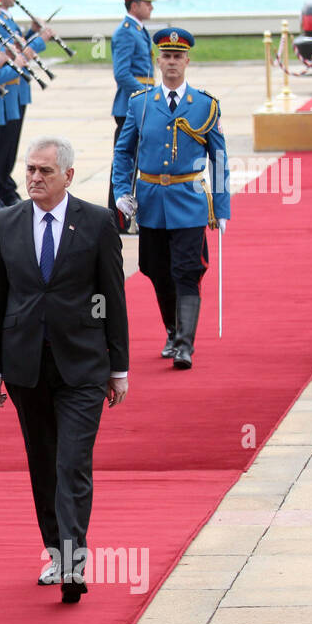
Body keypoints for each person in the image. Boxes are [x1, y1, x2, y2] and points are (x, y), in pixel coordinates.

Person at [0, 136, 128, 603]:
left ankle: (72, 560)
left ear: (68, 175)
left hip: (82, 365)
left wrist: (118, 366)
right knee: (43, 464)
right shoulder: (7, 223)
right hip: (27, 366)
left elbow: (114, 298)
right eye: (30, 170)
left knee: (72, 464)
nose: (35, 178)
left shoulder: (98, 223)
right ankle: (54, 551)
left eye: (45, 171)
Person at [112, 27, 228, 369]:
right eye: (167, 56)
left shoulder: (205, 105)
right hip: (150, 200)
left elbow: (219, 160)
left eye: (178, 57)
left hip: (189, 200)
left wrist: (221, 207)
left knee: (187, 271)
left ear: (187, 60)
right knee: (156, 268)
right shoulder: (141, 104)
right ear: (157, 60)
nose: (172, 62)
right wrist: (121, 191)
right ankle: (172, 329)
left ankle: (184, 345)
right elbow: (124, 152)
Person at [109, 0, 155, 233]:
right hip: (131, 106)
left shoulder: (138, 30)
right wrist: (147, 95)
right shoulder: (126, 32)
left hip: (140, 103)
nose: (151, 7)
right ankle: (116, 218)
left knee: (135, 160)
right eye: (147, 3)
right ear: (134, 5)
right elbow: (122, 73)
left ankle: (124, 217)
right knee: (124, 162)